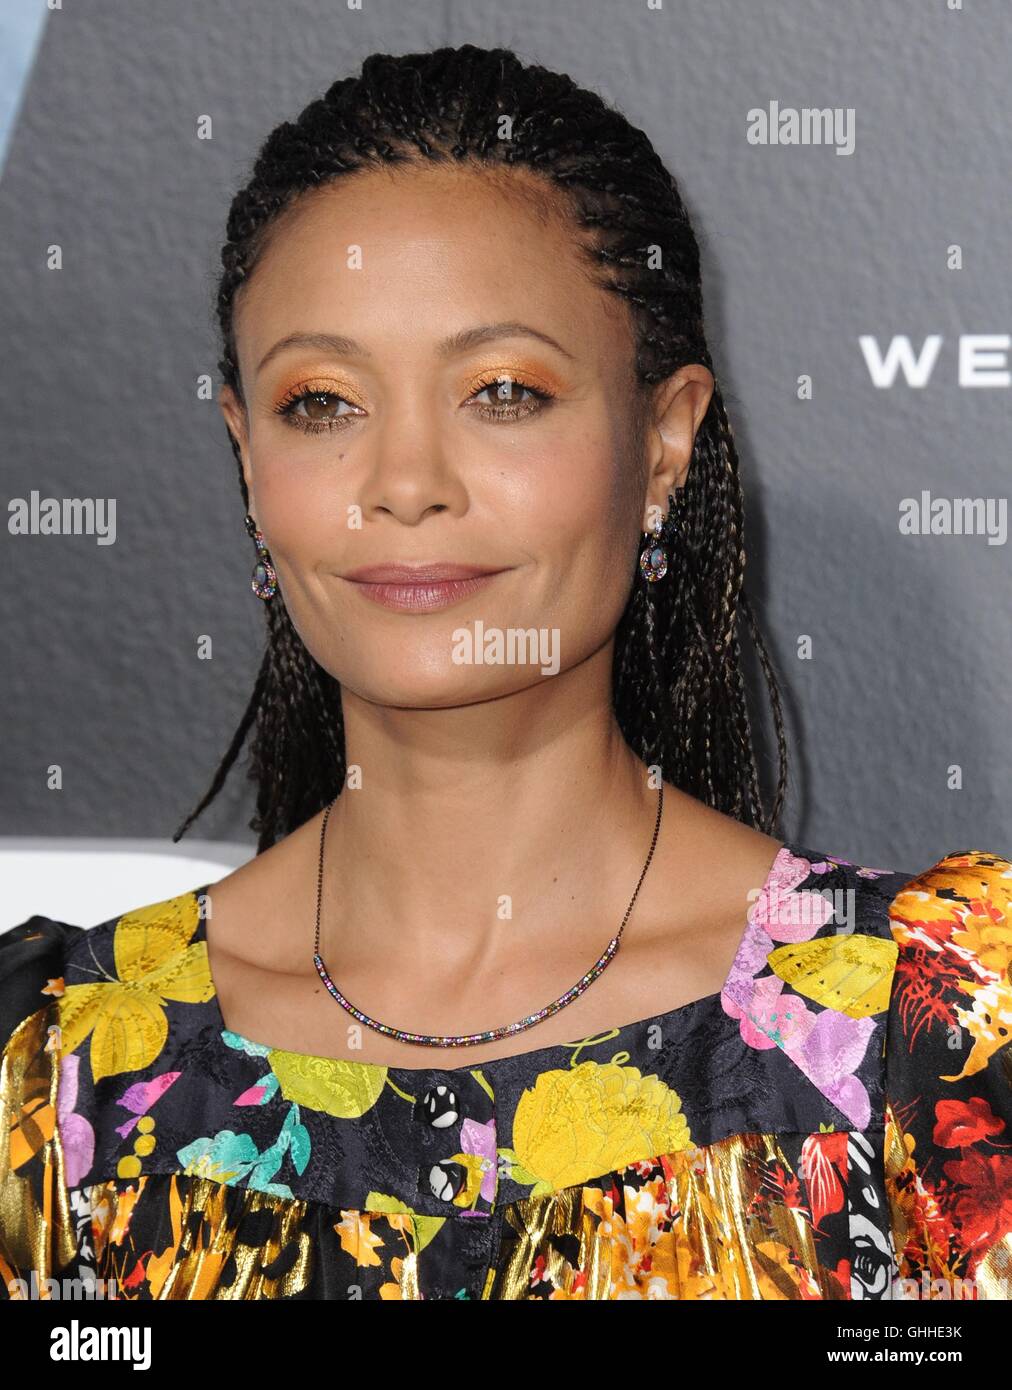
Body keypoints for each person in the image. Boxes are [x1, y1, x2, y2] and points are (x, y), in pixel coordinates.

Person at [2, 43, 1009, 1303]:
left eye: (502, 390)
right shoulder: (56, 1071)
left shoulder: (942, 1027)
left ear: (662, 440)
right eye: (321, 403)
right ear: (245, 456)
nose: (406, 482)